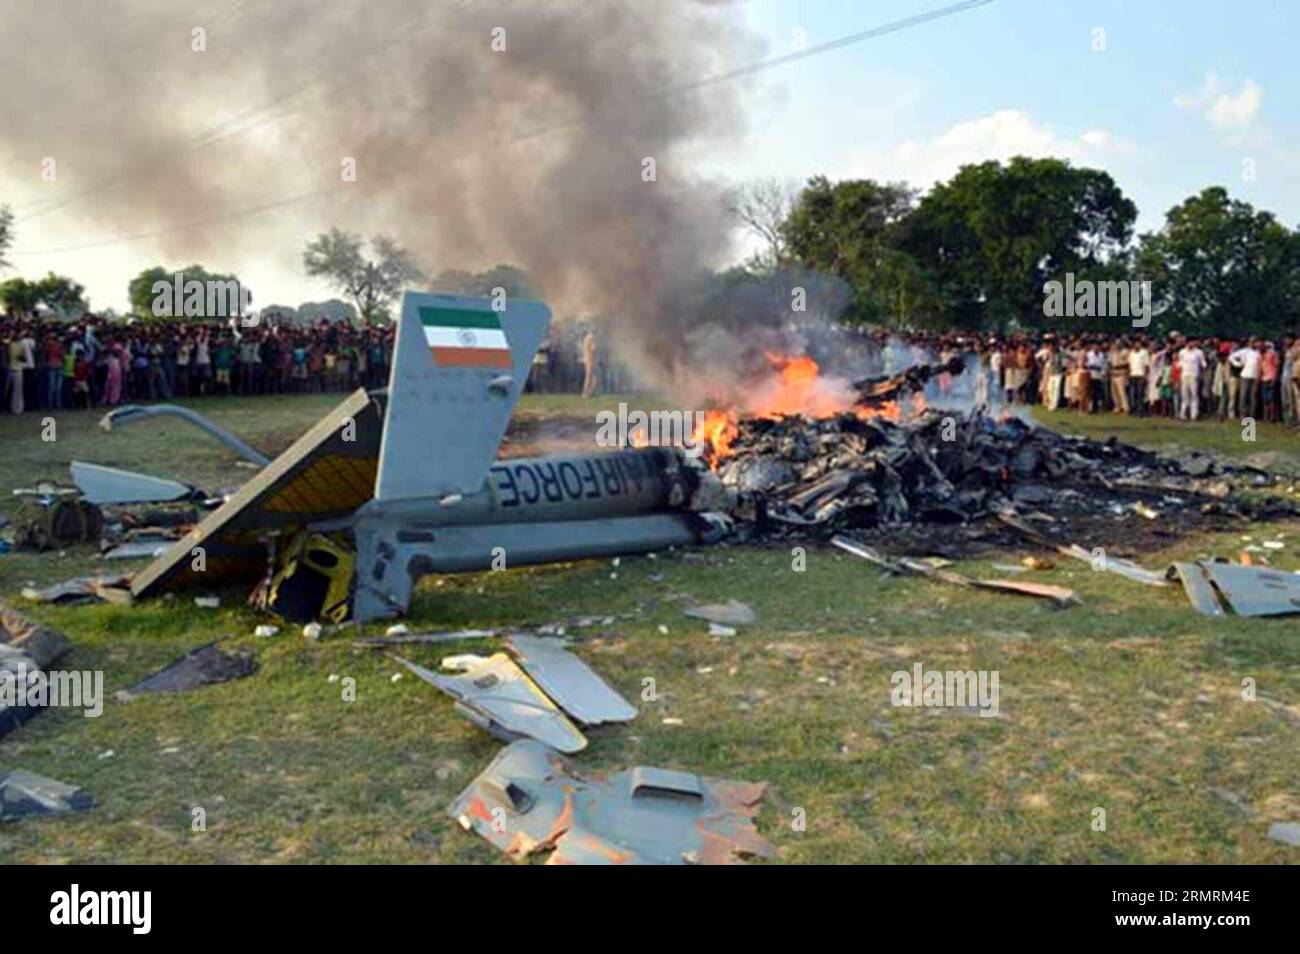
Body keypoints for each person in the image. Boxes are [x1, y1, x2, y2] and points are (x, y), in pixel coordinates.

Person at [1229, 339, 1261, 420]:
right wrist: (1239, 364)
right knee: (1243, 395)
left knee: (1253, 396)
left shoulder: (1258, 353)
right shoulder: (1245, 351)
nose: (1254, 344)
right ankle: (1242, 414)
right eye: (1252, 342)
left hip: (1255, 376)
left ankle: (1252, 414)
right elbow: (1231, 357)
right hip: (1245, 375)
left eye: (1255, 342)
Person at [1177, 339, 1206, 420]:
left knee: (1194, 395)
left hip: (1194, 375)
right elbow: (1179, 364)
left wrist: (1201, 373)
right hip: (1184, 375)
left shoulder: (1198, 352)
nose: (1190, 344)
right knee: (1184, 396)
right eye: (1189, 342)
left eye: (1192, 342)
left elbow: (1203, 364)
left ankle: (1194, 415)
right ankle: (1183, 414)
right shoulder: (1182, 352)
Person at [581, 327, 599, 398]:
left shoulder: (586, 338)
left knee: (593, 377)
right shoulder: (590, 338)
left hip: (588, 359)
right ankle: (585, 393)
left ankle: (591, 392)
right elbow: (593, 348)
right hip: (590, 359)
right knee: (589, 376)